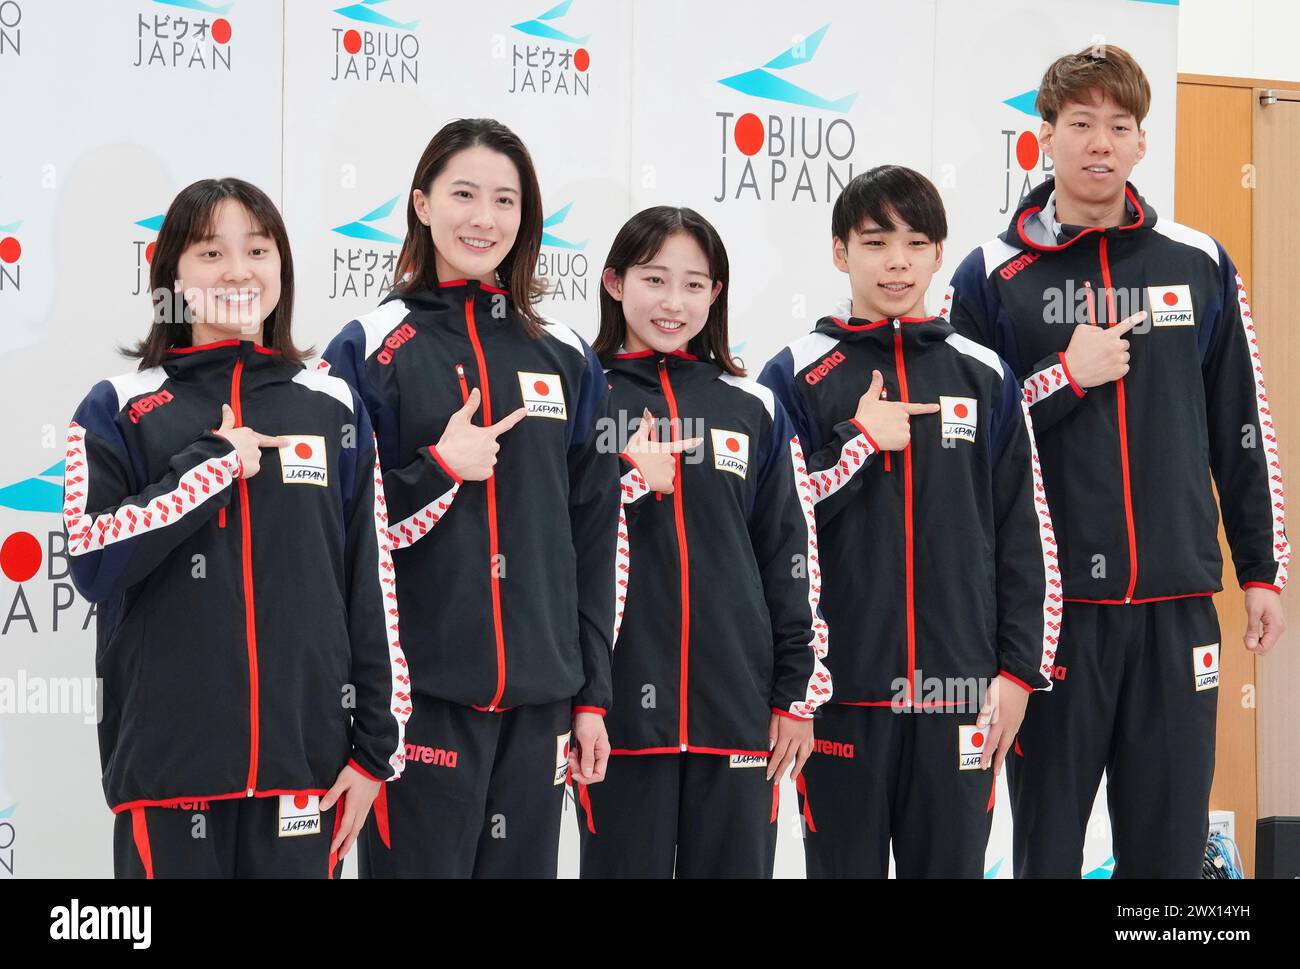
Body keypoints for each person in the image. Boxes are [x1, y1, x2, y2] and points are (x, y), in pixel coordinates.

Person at [947, 44, 1289, 878]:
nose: (1099, 142)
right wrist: (1065, 376)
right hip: (1055, 614)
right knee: (1047, 850)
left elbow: (1242, 423)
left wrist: (1262, 566)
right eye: (1080, 124)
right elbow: (967, 446)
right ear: (1044, 138)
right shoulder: (992, 275)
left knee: (1168, 856)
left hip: (1176, 608)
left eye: (1119, 126)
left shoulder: (1197, 261)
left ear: (1142, 143)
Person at [64, 178, 405, 878]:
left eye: (258, 248)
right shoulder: (120, 407)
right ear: (171, 275)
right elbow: (93, 560)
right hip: (169, 773)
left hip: (304, 769)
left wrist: (375, 751)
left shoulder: (331, 404)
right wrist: (211, 463)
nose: (239, 270)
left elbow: (368, 582)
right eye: (211, 252)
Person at [323, 118, 620, 878]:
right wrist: (437, 467)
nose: (484, 218)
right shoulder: (367, 346)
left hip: (541, 702)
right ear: (421, 203)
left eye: (505, 200)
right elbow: (334, 538)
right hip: (420, 698)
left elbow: (597, 533)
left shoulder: (566, 352)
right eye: (463, 194)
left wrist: (590, 692)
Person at [760, 166, 1058, 877]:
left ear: (937, 253)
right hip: (841, 698)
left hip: (959, 695)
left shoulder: (984, 374)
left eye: (915, 242)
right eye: (875, 241)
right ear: (840, 252)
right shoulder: (795, 373)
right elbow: (773, 536)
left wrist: (1019, 672)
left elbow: (1026, 533)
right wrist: (853, 442)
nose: (896, 260)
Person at [573, 206, 829, 877]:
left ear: (716, 294)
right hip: (619, 716)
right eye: (654, 279)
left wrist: (794, 695)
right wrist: (624, 478)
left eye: (694, 284)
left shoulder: (752, 405)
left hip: (737, 716)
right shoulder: (582, 395)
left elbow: (789, 558)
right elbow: (549, 540)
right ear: (614, 282)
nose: (673, 302)